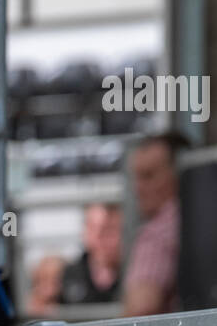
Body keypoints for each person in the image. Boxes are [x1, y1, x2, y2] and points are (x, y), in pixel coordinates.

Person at [124, 131, 187, 316]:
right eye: (137, 177)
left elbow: (141, 309)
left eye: (149, 176)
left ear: (177, 174)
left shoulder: (158, 232)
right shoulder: (210, 217)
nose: (139, 188)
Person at [61, 203, 122, 305]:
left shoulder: (136, 272)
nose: (99, 236)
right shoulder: (69, 274)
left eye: (110, 229)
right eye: (93, 228)